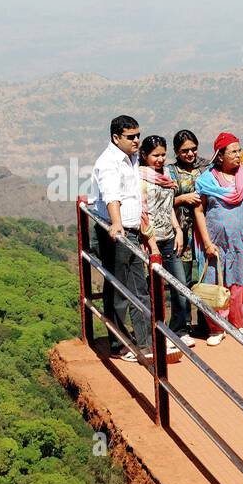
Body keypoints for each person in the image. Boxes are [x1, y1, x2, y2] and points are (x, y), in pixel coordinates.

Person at [194, 132, 243, 346]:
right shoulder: (206, 180)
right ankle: (216, 328)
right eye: (233, 151)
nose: (238, 155)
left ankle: (240, 324)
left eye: (238, 150)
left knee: (240, 283)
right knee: (215, 282)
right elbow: (199, 211)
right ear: (220, 155)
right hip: (215, 242)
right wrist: (206, 242)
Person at [89, 115, 152, 359]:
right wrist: (116, 224)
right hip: (117, 234)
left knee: (139, 288)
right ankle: (118, 343)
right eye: (131, 136)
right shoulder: (109, 162)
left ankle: (145, 342)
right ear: (116, 138)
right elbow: (111, 195)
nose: (137, 140)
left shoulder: (132, 158)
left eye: (138, 135)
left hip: (132, 232)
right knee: (118, 290)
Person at [136, 135, 192, 357]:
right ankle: (156, 333)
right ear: (144, 156)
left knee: (179, 285)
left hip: (169, 237)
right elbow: (143, 212)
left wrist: (178, 230)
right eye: (154, 155)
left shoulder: (166, 175)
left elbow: (168, 206)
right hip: (150, 241)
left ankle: (178, 329)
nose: (159, 159)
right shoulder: (140, 178)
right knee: (152, 290)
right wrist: (151, 244)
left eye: (162, 154)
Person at [168, 129, 209, 341]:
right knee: (181, 280)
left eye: (193, 149)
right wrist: (182, 198)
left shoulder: (206, 168)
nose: (190, 154)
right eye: (185, 151)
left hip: (204, 233)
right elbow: (162, 202)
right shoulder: (169, 172)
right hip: (181, 233)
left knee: (206, 277)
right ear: (176, 151)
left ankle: (206, 323)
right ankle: (180, 326)